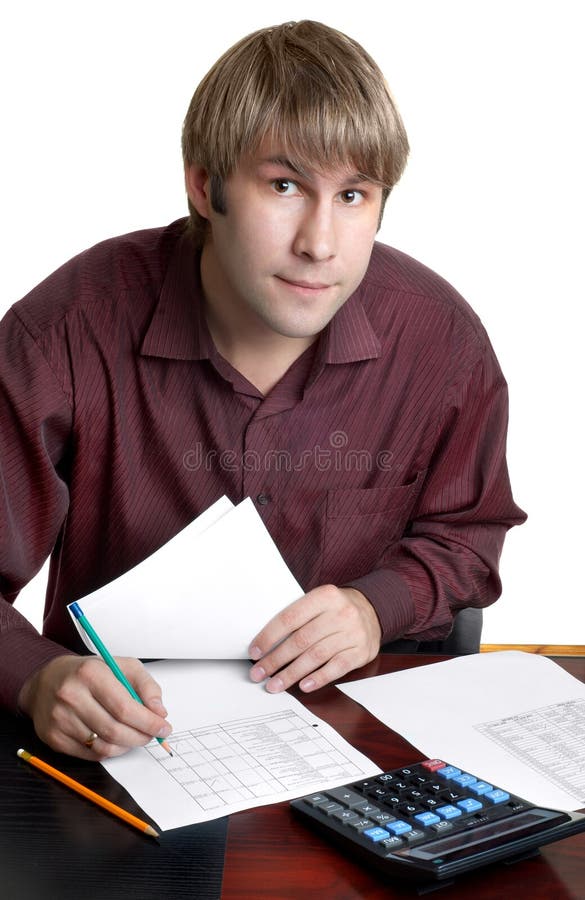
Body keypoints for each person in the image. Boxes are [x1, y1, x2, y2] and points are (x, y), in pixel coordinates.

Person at [0, 20, 525, 760]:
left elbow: (470, 537)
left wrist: (376, 608)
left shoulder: (440, 341)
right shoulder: (68, 329)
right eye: (284, 185)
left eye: (353, 195)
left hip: (355, 748)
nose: (319, 241)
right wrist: (35, 677)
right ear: (204, 184)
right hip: (126, 749)